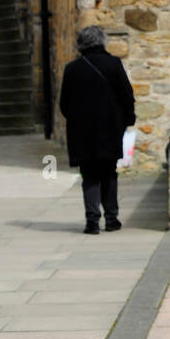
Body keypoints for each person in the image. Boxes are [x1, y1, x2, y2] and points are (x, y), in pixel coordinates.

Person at [59, 25, 135, 234]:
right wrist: (127, 119)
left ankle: (92, 220)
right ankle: (111, 218)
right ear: (102, 41)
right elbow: (126, 95)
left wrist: (77, 119)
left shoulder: (72, 69)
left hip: (82, 131)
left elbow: (64, 104)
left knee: (89, 174)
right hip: (110, 128)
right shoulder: (113, 64)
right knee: (109, 173)